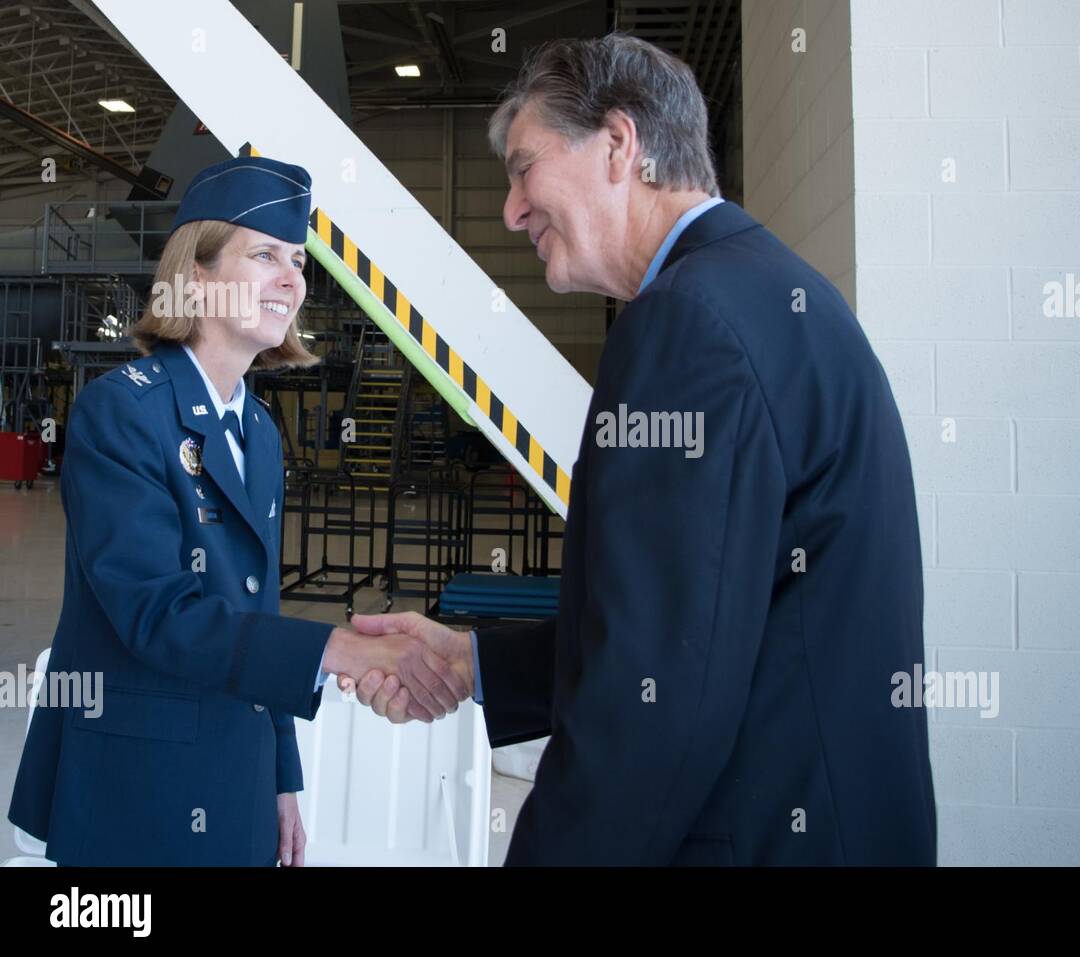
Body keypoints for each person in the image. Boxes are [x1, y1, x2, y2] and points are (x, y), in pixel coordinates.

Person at [347, 34, 936, 866]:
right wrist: (470, 660)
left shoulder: (686, 323)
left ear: (619, 145)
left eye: (523, 167)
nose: (512, 209)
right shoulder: (779, 296)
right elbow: (696, 627)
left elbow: (654, 705)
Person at [6, 155, 465, 866]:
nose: (294, 278)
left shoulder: (256, 429)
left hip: (238, 771)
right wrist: (343, 648)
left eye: (298, 260)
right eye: (265, 255)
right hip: (140, 785)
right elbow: (157, 612)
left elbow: (257, 609)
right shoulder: (122, 411)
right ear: (198, 276)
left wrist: (282, 776)